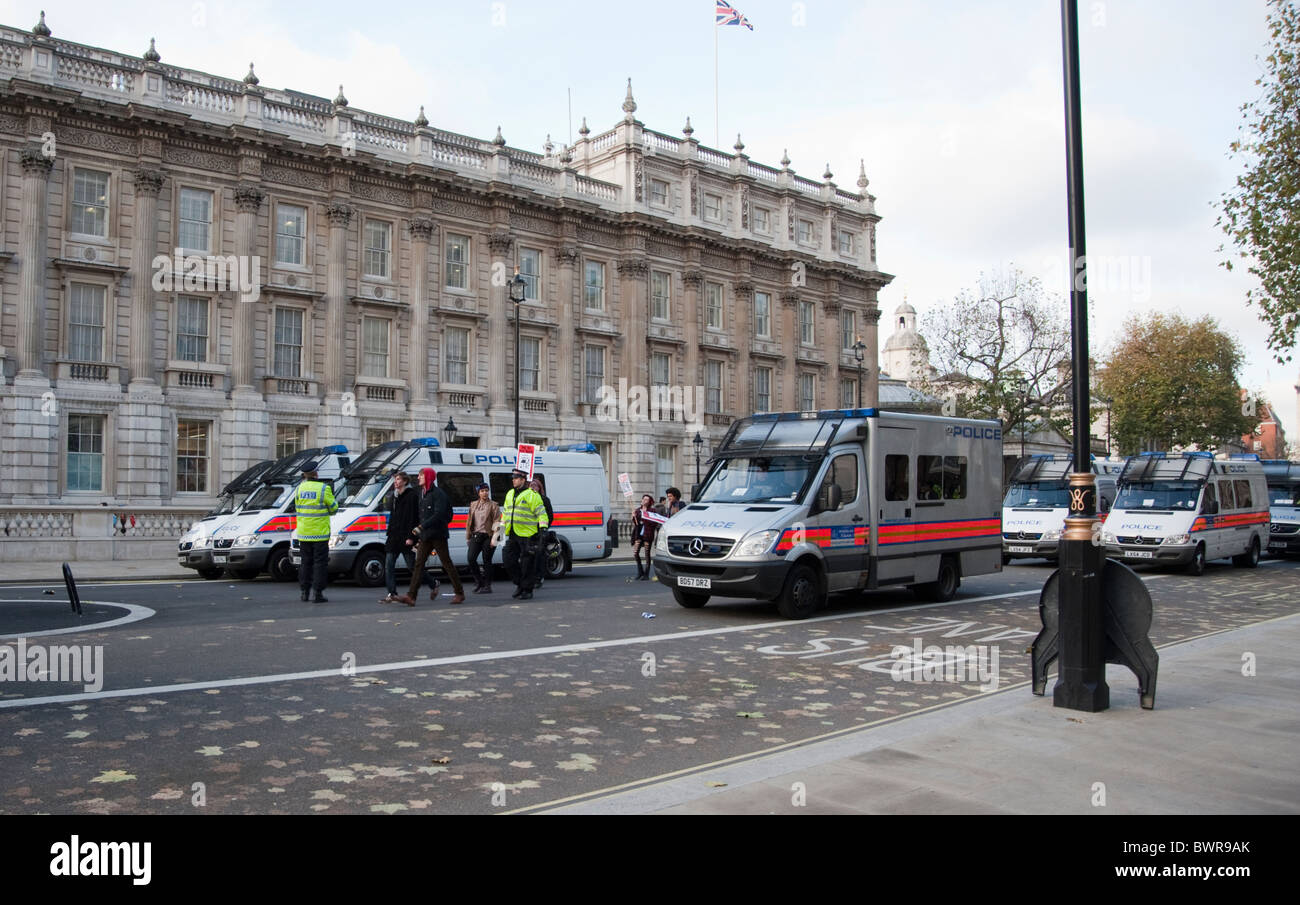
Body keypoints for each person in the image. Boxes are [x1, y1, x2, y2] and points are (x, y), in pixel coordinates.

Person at [397, 467, 465, 606]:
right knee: (418, 564)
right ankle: (411, 596)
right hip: (426, 536)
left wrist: (422, 527)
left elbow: (440, 514)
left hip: (438, 535)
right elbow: (421, 515)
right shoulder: (422, 493)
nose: (418, 478)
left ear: (428, 477)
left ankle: (459, 593)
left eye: (421, 476)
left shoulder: (438, 494)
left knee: (446, 563)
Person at [293, 460, 337, 603]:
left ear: (305, 475)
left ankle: (304, 592)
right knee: (320, 563)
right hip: (320, 533)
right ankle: (317, 593)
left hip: (304, 533)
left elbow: (297, 508)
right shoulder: (324, 488)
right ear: (316, 473)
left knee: (305, 563)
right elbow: (334, 508)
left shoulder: (299, 488)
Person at [502, 469, 548, 600]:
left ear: (523, 480)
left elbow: (541, 513)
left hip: (528, 534)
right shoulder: (510, 494)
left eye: (516, 478)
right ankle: (520, 584)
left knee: (527, 564)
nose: (513, 480)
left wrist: (543, 529)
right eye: (513, 478)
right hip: (512, 533)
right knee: (508, 560)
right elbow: (505, 513)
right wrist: (499, 533)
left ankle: (527, 590)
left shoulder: (532, 495)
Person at [380, 472, 424, 603]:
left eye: (398, 479)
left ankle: (433, 583)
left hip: (406, 537)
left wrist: (412, 537)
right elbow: (394, 516)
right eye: (395, 479)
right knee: (389, 565)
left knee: (412, 566)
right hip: (394, 536)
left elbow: (413, 518)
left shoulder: (411, 496)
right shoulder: (394, 496)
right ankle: (391, 593)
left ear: (405, 481)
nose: (395, 482)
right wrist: (389, 532)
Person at [465, 482, 501, 594]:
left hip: (488, 536)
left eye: (486, 490)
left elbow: (498, 521)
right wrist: (468, 537)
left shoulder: (494, 505)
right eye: (482, 491)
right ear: (478, 493)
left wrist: (495, 538)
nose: (485, 493)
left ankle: (487, 585)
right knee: (471, 558)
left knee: (487, 560)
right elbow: (469, 521)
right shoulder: (473, 504)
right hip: (476, 535)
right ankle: (479, 581)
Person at [531, 475, 555, 589]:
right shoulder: (527, 499)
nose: (533, 487)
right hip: (528, 532)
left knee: (539, 556)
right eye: (531, 485)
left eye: (535, 486)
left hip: (540, 532)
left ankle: (539, 577)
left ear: (540, 488)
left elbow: (550, 516)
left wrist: (544, 528)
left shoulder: (545, 500)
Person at [630, 493, 660, 580]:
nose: (644, 500)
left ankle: (646, 574)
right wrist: (633, 517)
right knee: (636, 553)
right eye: (643, 499)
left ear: (649, 501)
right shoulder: (638, 510)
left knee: (647, 554)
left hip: (648, 534)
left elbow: (654, 523)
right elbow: (636, 523)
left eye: (646, 499)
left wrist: (645, 520)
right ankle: (640, 572)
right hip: (639, 534)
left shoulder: (652, 511)